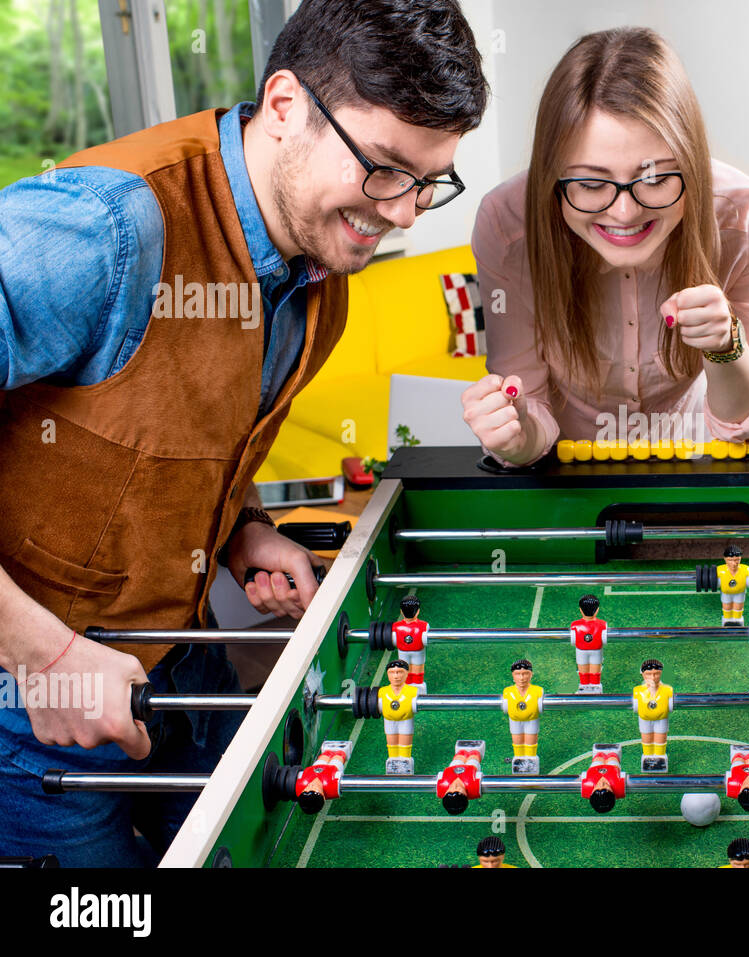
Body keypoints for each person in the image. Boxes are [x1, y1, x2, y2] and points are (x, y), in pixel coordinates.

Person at [0, 0, 487, 865]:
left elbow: (174, 420)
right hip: (25, 703)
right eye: (385, 169)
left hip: (183, 664)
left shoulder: (319, 265)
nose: (408, 213)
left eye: (430, 180)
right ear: (288, 104)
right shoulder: (105, 227)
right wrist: (41, 655)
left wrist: (243, 531)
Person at [461, 27, 749, 467]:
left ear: (690, 160)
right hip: (566, 482)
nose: (624, 212)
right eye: (591, 182)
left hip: (694, 470)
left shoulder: (744, 217)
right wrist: (513, 435)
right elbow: (529, 416)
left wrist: (726, 345)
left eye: (654, 179)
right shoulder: (506, 223)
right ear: (550, 175)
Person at [632, 659, 673, 769]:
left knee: (660, 737)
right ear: (643, 674)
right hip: (645, 719)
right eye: (649, 674)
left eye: (656, 674)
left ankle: (660, 757)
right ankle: (648, 757)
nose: (653, 677)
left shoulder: (668, 690)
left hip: (661, 718)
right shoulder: (638, 691)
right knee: (647, 737)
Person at [502, 659, 543, 760]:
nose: (521, 678)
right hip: (515, 721)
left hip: (532, 720)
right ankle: (518, 760)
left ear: (531, 674)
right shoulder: (507, 692)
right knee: (518, 743)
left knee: (531, 743)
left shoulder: (538, 691)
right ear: (513, 675)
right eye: (518, 674)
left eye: (525, 674)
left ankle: (531, 760)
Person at [569, 593, 607, 693]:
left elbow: (573, 640)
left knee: (583, 671)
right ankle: (595, 688)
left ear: (580, 610)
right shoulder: (603, 624)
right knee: (595, 671)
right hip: (596, 651)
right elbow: (605, 640)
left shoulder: (575, 625)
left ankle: (584, 688)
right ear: (597, 610)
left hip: (581, 651)